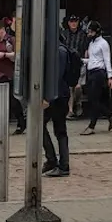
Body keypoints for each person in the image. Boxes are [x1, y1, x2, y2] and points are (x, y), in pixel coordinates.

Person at [0, 21, 26, 136]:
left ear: (3, 30)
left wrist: (5, 55)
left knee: (13, 101)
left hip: (9, 75)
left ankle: (21, 123)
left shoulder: (10, 40)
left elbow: (17, 55)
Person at [42, 36, 72, 177]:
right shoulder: (58, 50)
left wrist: (48, 98)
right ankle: (52, 160)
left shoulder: (60, 52)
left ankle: (62, 165)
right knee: (40, 125)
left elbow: (57, 77)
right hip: (57, 95)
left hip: (58, 97)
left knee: (60, 131)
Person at [80, 21, 112, 135]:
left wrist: (110, 77)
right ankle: (108, 115)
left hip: (99, 73)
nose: (89, 33)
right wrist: (82, 60)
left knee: (94, 100)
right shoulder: (91, 43)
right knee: (92, 99)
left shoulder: (103, 43)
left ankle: (92, 125)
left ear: (96, 32)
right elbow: (92, 59)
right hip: (91, 72)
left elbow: (107, 60)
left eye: (91, 31)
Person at [62, 15, 88, 119]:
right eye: (71, 21)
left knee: (78, 87)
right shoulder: (65, 34)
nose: (73, 23)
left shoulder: (83, 35)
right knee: (69, 88)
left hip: (80, 63)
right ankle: (70, 110)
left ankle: (78, 103)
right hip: (68, 63)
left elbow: (86, 48)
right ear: (68, 23)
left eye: (75, 21)